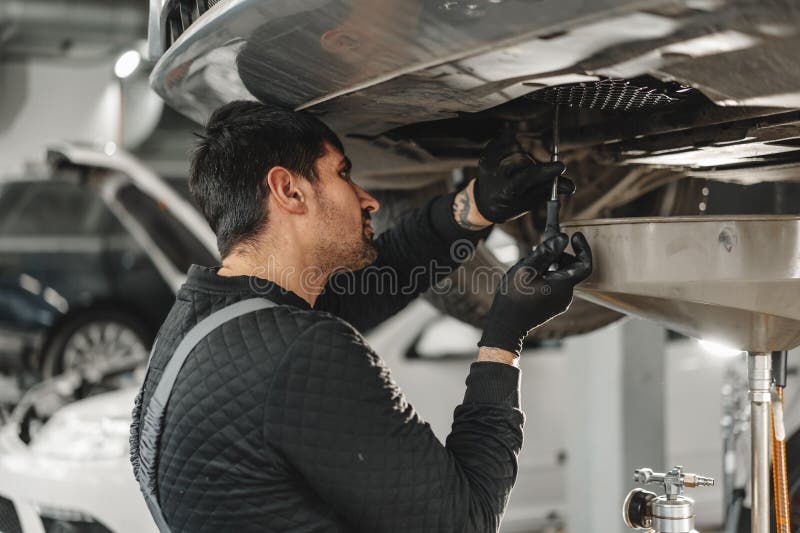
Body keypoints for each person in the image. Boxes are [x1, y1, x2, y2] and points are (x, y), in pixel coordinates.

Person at [129, 100, 592, 533]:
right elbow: (466, 519)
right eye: (343, 174)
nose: (367, 199)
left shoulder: (201, 322)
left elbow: (381, 276)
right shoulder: (300, 351)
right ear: (289, 190)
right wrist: (505, 335)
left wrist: (477, 205)